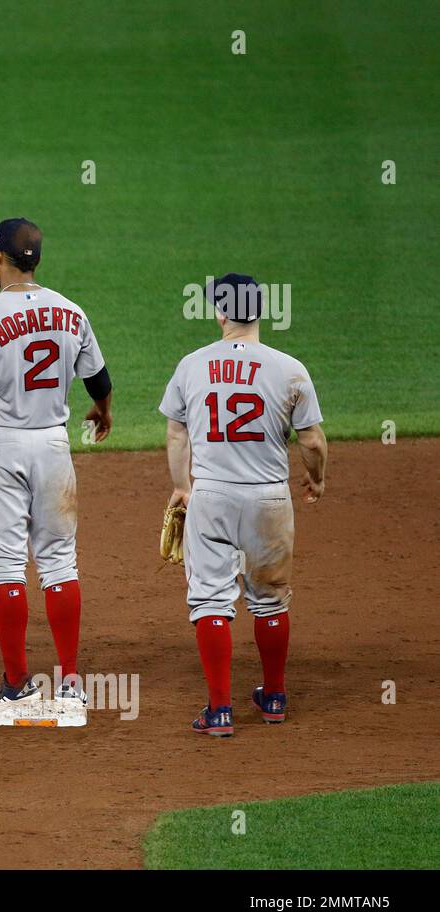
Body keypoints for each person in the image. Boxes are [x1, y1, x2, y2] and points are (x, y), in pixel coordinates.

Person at [0, 217, 113, 709]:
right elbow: (99, 381)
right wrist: (103, 413)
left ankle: (17, 685)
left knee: (5, 566)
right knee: (60, 561)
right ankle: (71, 684)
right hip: (53, 446)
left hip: (0, 450)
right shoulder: (71, 313)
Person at [160, 273, 327, 736]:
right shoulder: (289, 368)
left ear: (219, 312)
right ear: (260, 311)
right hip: (269, 498)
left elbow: (177, 432)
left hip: (211, 494)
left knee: (211, 599)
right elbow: (311, 440)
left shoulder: (192, 365)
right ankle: (273, 697)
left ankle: (220, 711)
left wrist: (182, 487)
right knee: (270, 601)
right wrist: (316, 478)